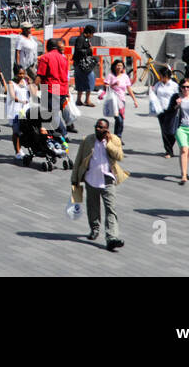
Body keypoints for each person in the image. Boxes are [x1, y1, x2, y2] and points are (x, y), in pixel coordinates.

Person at [71, 117, 128, 250]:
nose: (97, 129)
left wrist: (108, 143)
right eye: (96, 126)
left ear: (107, 129)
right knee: (93, 207)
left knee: (111, 209)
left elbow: (119, 156)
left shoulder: (114, 140)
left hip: (108, 180)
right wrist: (74, 178)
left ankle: (111, 238)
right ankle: (95, 229)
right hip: (91, 179)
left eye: (100, 127)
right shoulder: (87, 140)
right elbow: (79, 159)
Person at [163, 77, 189, 184]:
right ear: (180, 88)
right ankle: (184, 175)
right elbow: (170, 111)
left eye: (188, 87)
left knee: (187, 150)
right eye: (183, 87)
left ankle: (184, 171)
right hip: (181, 127)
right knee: (184, 149)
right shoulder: (176, 97)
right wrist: (177, 105)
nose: (186, 89)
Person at [37, 37, 72, 133]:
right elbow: (66, 76)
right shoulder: (63, 58)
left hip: (50, 88)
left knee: (51, 114)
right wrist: (67, 91)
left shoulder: (45, 57)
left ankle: (63, 133)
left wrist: (33, 87)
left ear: (47, 47)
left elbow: (40, 75)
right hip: (62, 88)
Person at [100, 58, 137, 138]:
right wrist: (113, 85)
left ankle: (117, 136)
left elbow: (129, 89)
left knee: (121, 119)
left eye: (121, 66)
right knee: (118, 118)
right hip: (113, 100)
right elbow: (105, 86)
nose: (119, 67)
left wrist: (134, 100)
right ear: (114, 66)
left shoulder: (125, 77)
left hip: (122, 100)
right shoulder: (110, 76)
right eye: (118, 65)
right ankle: (117, 136)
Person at [150, 66, 180, 157]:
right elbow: (154, 94)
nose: (160, 77)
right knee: (164, 131)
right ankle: (168, 151)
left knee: (172, 131)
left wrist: (179, 102)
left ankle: (170, 147)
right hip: (161, 110)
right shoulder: (158, 84)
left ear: (166, 76)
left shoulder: (174, 86)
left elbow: (180, 95)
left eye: (161, 75)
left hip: (172, 109)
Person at [7, 65, 33, 159]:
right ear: (15, 74)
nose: (22, 75)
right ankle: (17, 151)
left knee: (23, 131)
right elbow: (13, 96)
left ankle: (20, 148)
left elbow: (32, 93)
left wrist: (30, 83)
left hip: (24, 110)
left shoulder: (25, 82)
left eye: (23, 73)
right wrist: (22, 101)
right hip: (15, 110)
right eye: (20, 74)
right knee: (16, 131)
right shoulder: (11, 83)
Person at [72, 25, 97, 108]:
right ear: (88, 33)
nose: (92, 35)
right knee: (89, 80)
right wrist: (89, 50)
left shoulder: (86, 39)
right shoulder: (81, 39)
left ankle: (80, 100)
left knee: (83, 81)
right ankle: (86, 100)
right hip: (81, 64)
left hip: (84, 63)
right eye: (92, 33)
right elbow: (78, 50)